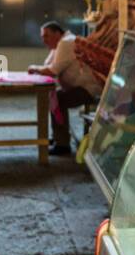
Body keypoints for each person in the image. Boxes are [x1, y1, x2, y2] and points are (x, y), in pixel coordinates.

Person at [28, 21, 103, 155]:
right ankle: (59, 137)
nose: (44, 40)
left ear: (57, 33)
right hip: (77, 87)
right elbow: (47, 64)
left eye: (47, 36)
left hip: (87, 88)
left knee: (57, 99)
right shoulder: (60, 43)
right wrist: (39, 69)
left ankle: (63, 145)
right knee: (54, 96)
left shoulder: (66, 42)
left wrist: (34, 68)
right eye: (42, 37)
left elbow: (52, 70)